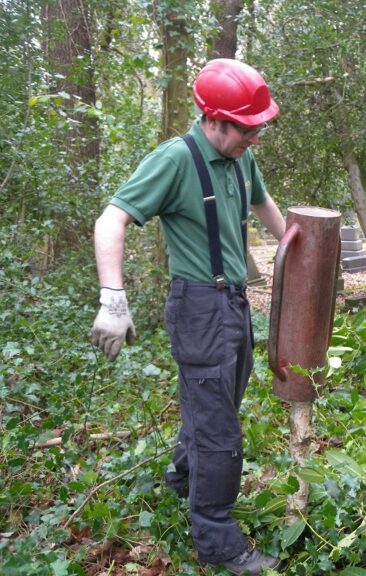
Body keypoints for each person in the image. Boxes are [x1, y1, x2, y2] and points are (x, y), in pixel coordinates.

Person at [90, 59, 286, 576]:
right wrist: (114, 297)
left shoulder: (241, 157)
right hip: (198, 306)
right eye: (248, 128)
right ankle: (219, 543)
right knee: (219, 426)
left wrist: (295, 247)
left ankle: (182, 478)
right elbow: (111, 221)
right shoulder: (174, 161)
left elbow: (265, 206)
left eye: (259, 127)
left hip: (236, 303)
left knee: (219, 403)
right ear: (214, 120)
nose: (255, 138)